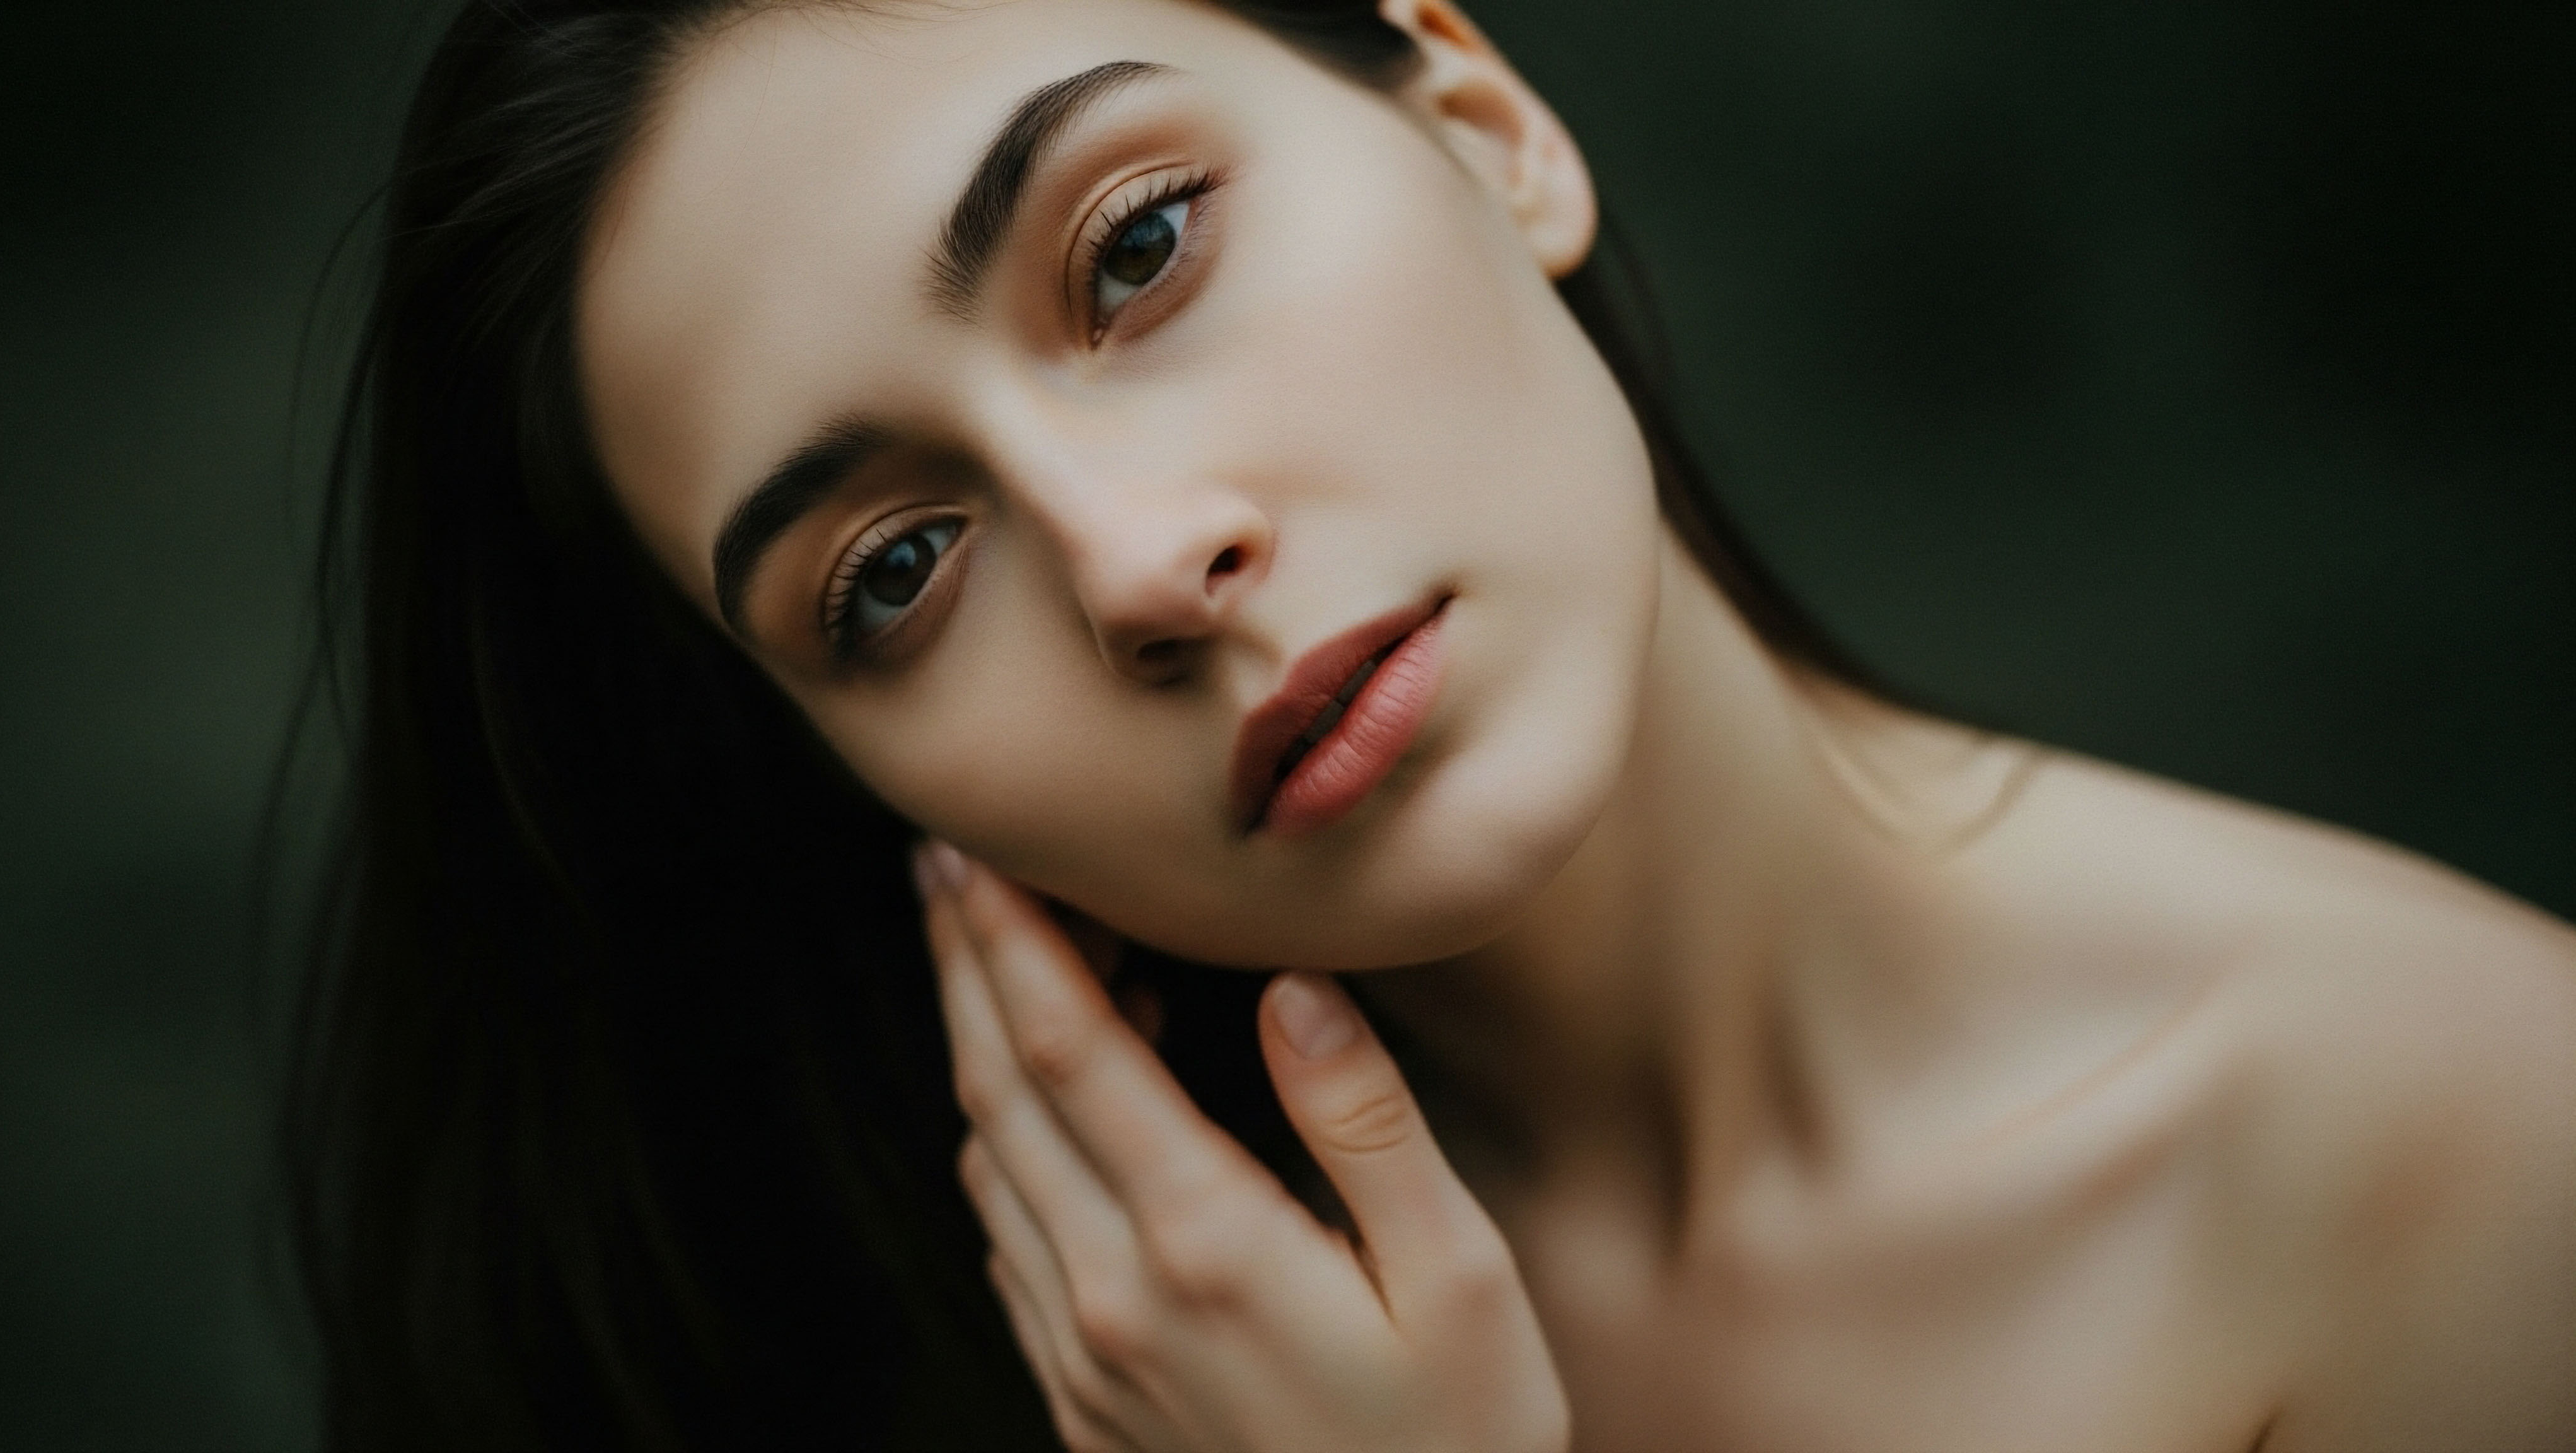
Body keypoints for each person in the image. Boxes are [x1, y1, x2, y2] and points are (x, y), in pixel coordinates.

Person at [287, 0, 2576, 1447]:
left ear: (1487, 130)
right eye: (890, 574)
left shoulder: (2486, 1163)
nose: (1135, 559)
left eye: (1140, 246)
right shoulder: (932, 1348)